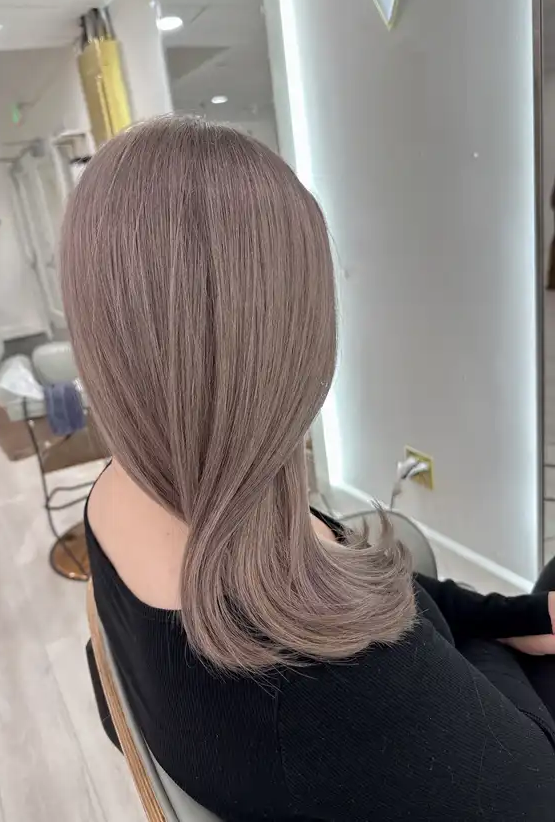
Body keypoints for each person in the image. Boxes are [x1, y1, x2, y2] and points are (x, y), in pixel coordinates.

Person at [61, 117, 555, 821]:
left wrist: (508, 615)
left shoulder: (126, 492)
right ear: (294, 337)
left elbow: (374, 590)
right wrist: (489, 646)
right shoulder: (330, 690)